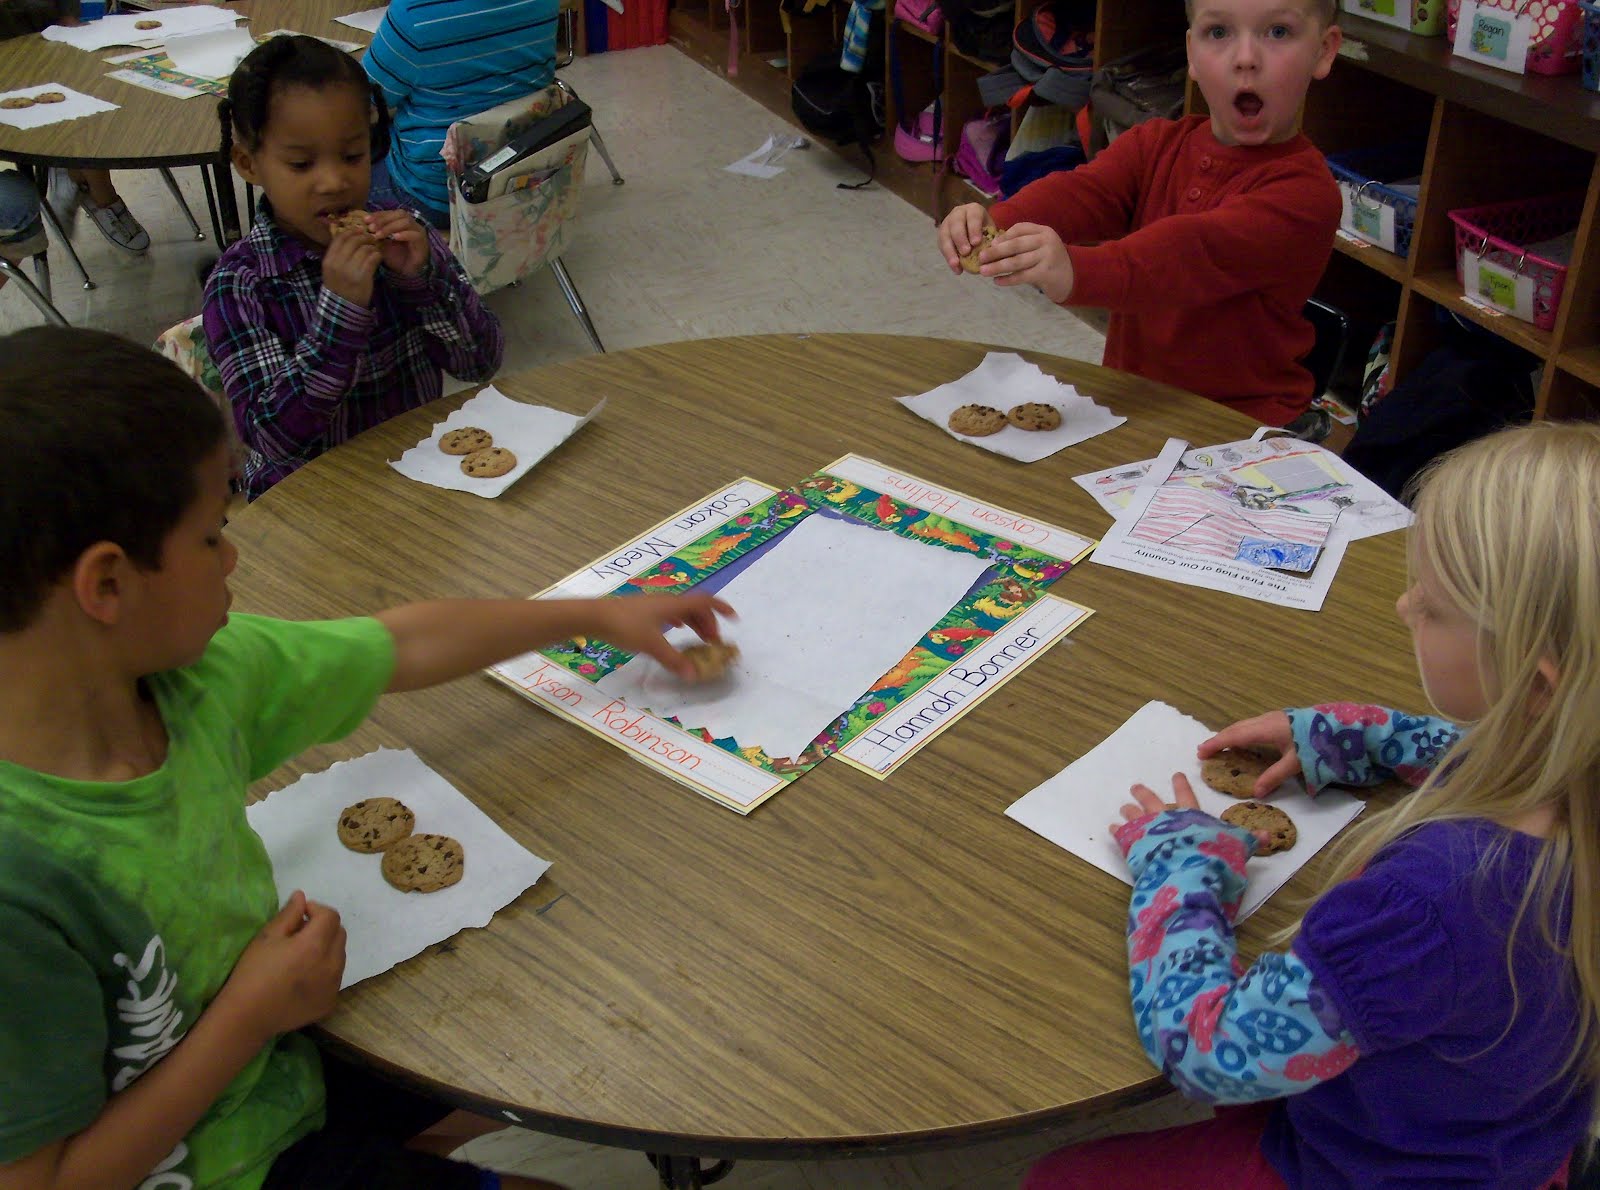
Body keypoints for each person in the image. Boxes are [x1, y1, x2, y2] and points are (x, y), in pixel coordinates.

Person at [0, 325, 735, 1189]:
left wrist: (593, 616)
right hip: (212, 1158)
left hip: (268, 1050)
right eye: (212, 535)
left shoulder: (191, 678)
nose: (235, 558)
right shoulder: (23, 885)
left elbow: (404, 642)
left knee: (564, 1035)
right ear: (108, 585)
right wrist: (245, 1018)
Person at [1024, 419, 1600, 1188]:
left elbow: (1210, 1053)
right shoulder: (1575, 769)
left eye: (1432, 605)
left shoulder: (1434, 900)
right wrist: (1367, 737)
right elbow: (1506, 748)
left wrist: (1180, 871)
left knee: (1058, 1178)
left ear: (1537, 683)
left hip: (1375, 1168)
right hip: (1513, 1134)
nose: (1402, 607)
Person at [937, 0, 1343, 432]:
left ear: (1323, 50)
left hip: (1241, 429)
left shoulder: (1307, 195)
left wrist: (1074, 270)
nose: (1245, 59)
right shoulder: (1155, 143)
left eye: (1278, 32)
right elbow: (1086, 192)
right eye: (1219, 33)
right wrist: (996, 221)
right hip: (1136, 406)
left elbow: (1185, 254)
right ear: (1191, 54)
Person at [204, 35, 505, 501]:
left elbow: (481, 361)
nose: (335, 181)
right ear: (249, 163)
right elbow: (274, 438)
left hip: (418, 473)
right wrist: (340, 312)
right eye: (301, 163)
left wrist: (419, 282)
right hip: (310, 503)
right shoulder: (240, 284)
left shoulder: (403, 234)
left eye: (352, 156)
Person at [363, 0, 561, 230]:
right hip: (527, 177)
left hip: (440, 198)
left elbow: (362, 102)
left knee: (333, 167)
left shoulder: (413, 14)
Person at [0, 0, 151, 253]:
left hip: (45, 27)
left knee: (86, 89)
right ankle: (92, 187)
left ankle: (74, 173)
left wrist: (67, 13)